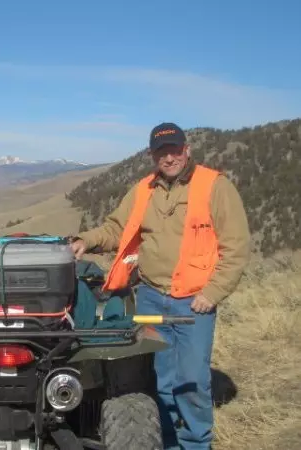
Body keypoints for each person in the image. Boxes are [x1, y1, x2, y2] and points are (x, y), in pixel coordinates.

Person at [69, 122, 251, 450]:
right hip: (151, 298)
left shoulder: (215, 187)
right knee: (162, 380)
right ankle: (166, 441)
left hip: (194, 302)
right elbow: (115, 228)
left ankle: (195, 444)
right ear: (153, 156)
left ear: (187, 149)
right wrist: (85, 240)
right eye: (161, 152)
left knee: (192, 382)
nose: (169, 158)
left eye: (174, 150)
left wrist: (212, 293)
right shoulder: (144, 190)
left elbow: (236, 247)